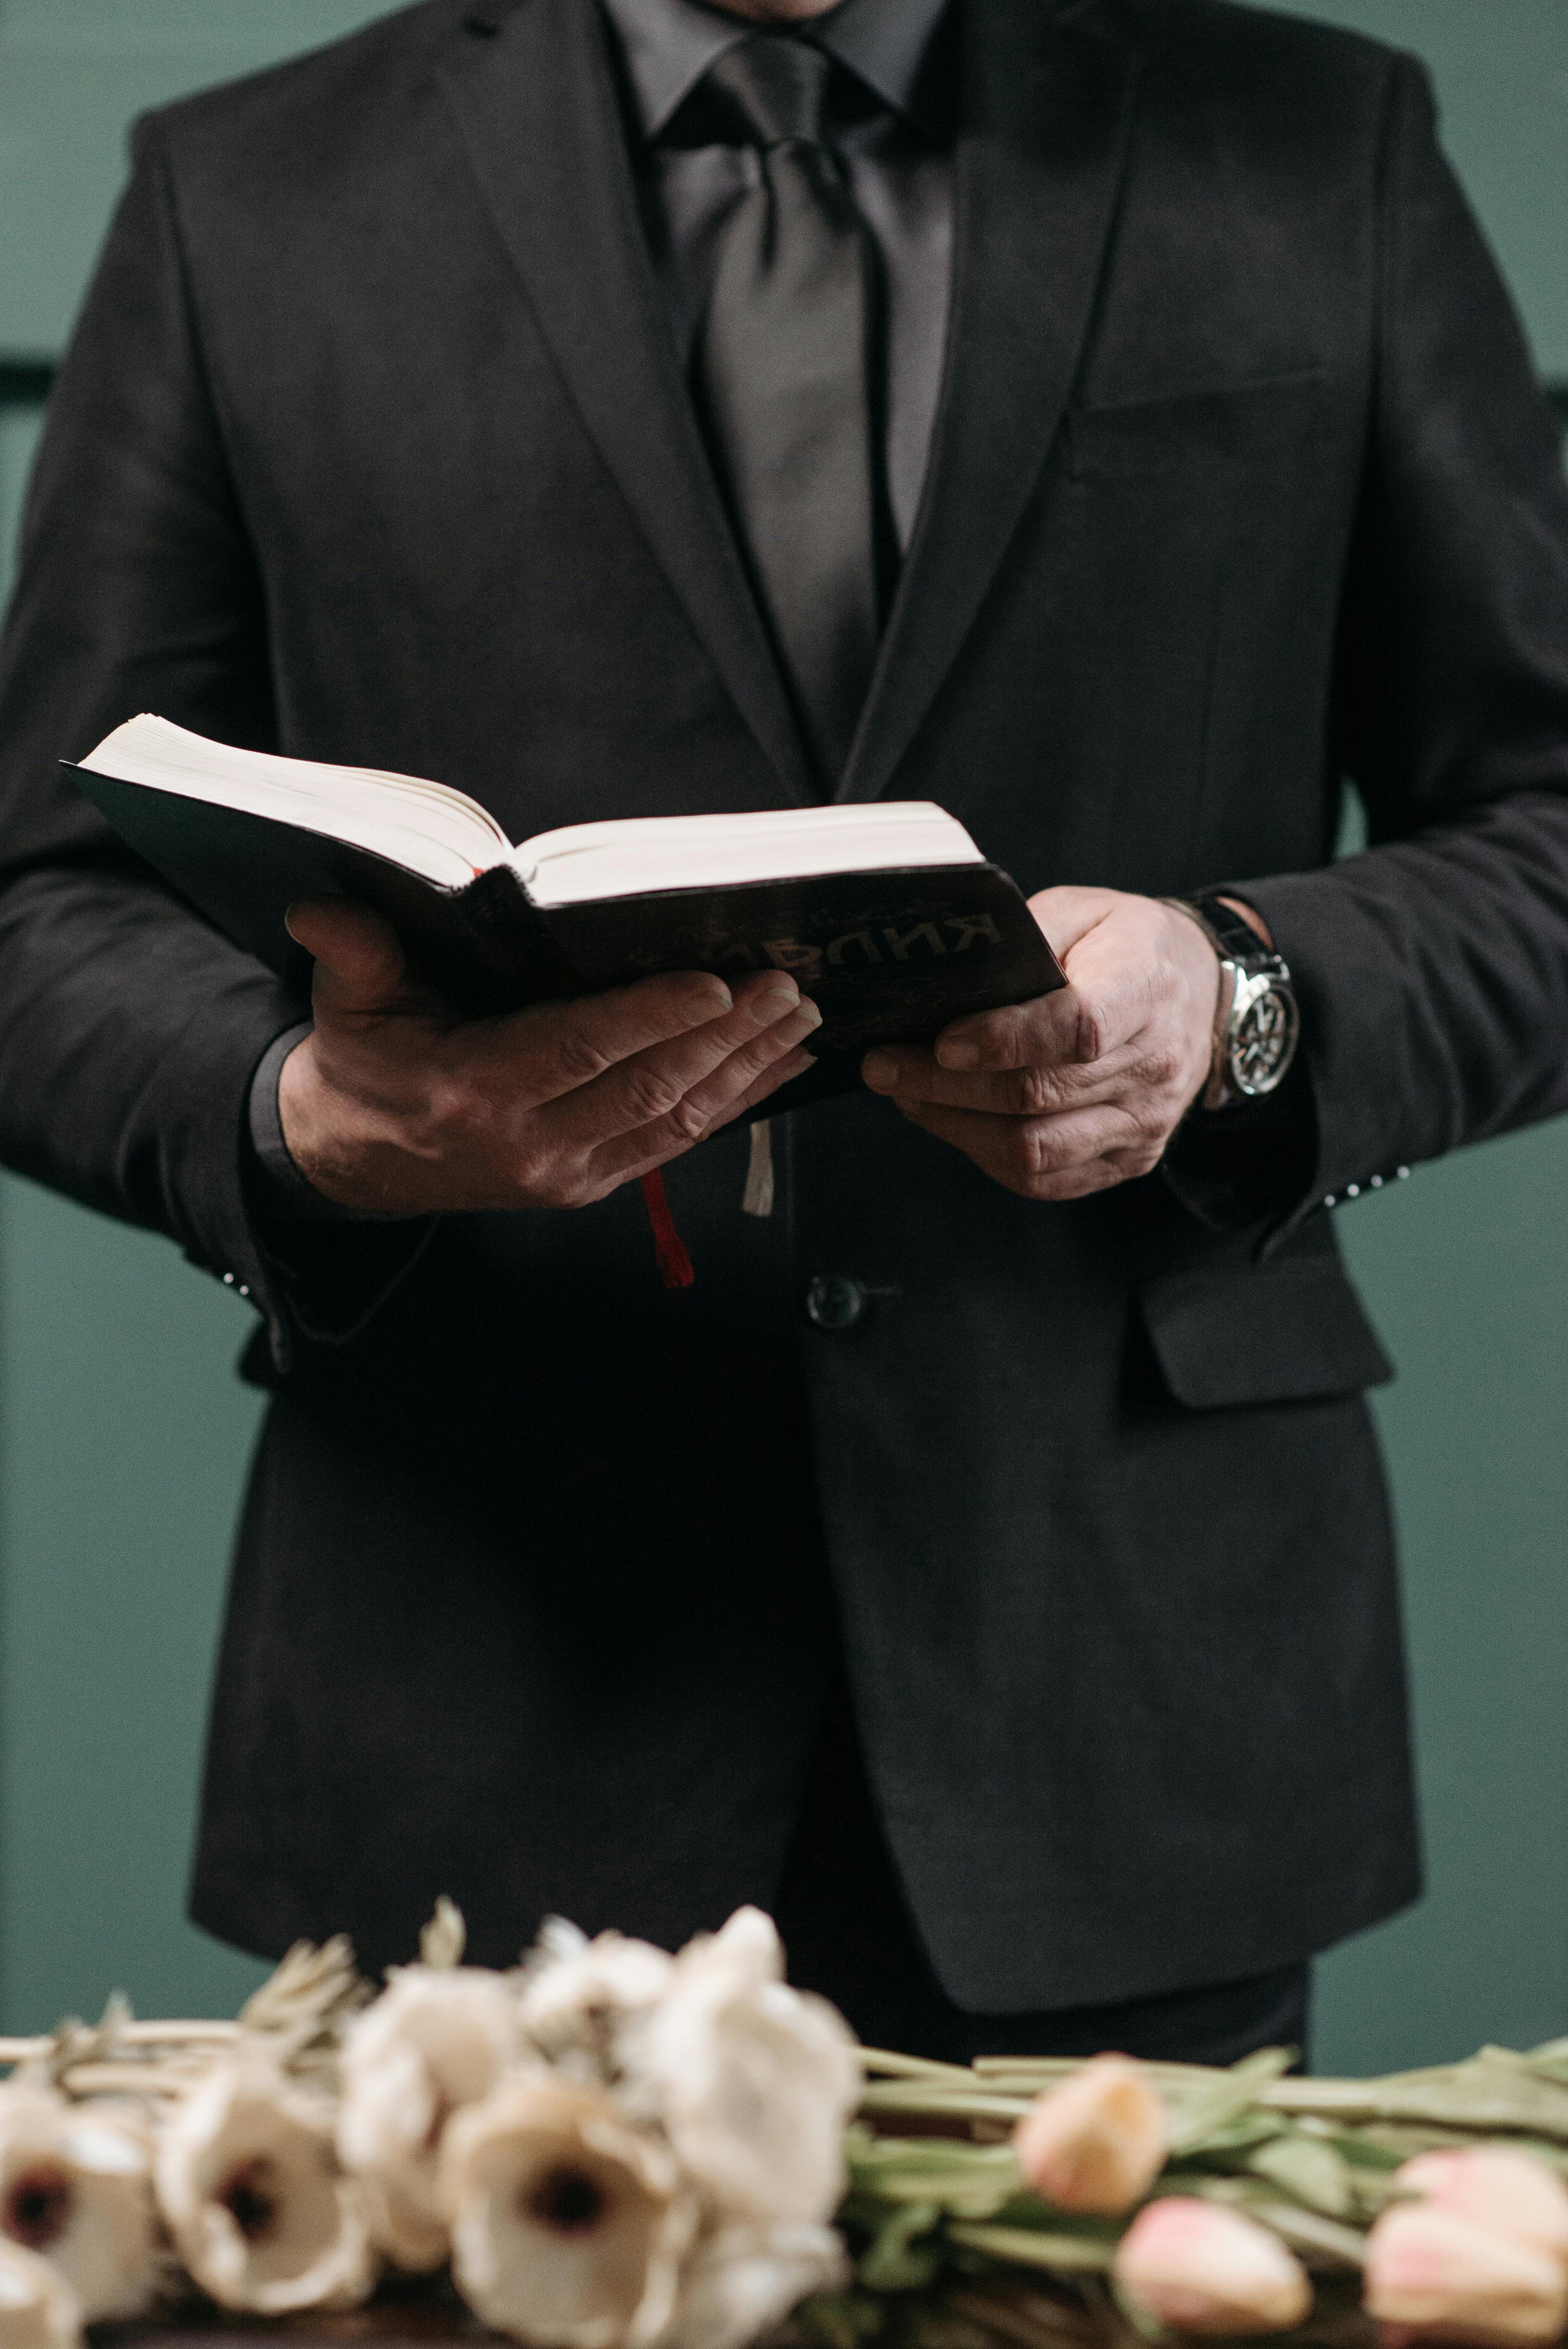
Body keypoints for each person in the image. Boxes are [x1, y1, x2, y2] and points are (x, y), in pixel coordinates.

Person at [1, 0, 1566, 2067]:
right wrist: (300, 1114)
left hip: (1124, 1692)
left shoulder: (1317, 138)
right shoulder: (245, 189)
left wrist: (1239, 999)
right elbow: (35, 904)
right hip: (475, 1670)